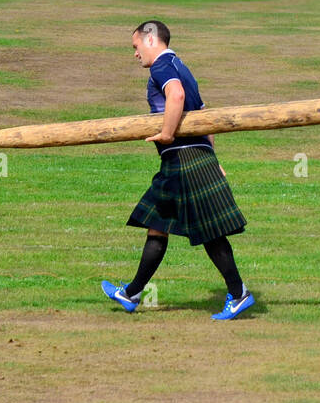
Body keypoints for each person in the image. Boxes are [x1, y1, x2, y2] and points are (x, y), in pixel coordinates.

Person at [102, 21, 254, 321]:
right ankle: (132, 293)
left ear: (150, 39)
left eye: (135, 47)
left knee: (209, 231)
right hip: (190, 158)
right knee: (160, 225)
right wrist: (214, 157)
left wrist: (167, 133)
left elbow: (177, 97)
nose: (135, 54)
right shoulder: (182, 66)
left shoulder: (161, 67)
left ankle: (238, 294)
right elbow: (205, 117)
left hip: (183, 158)